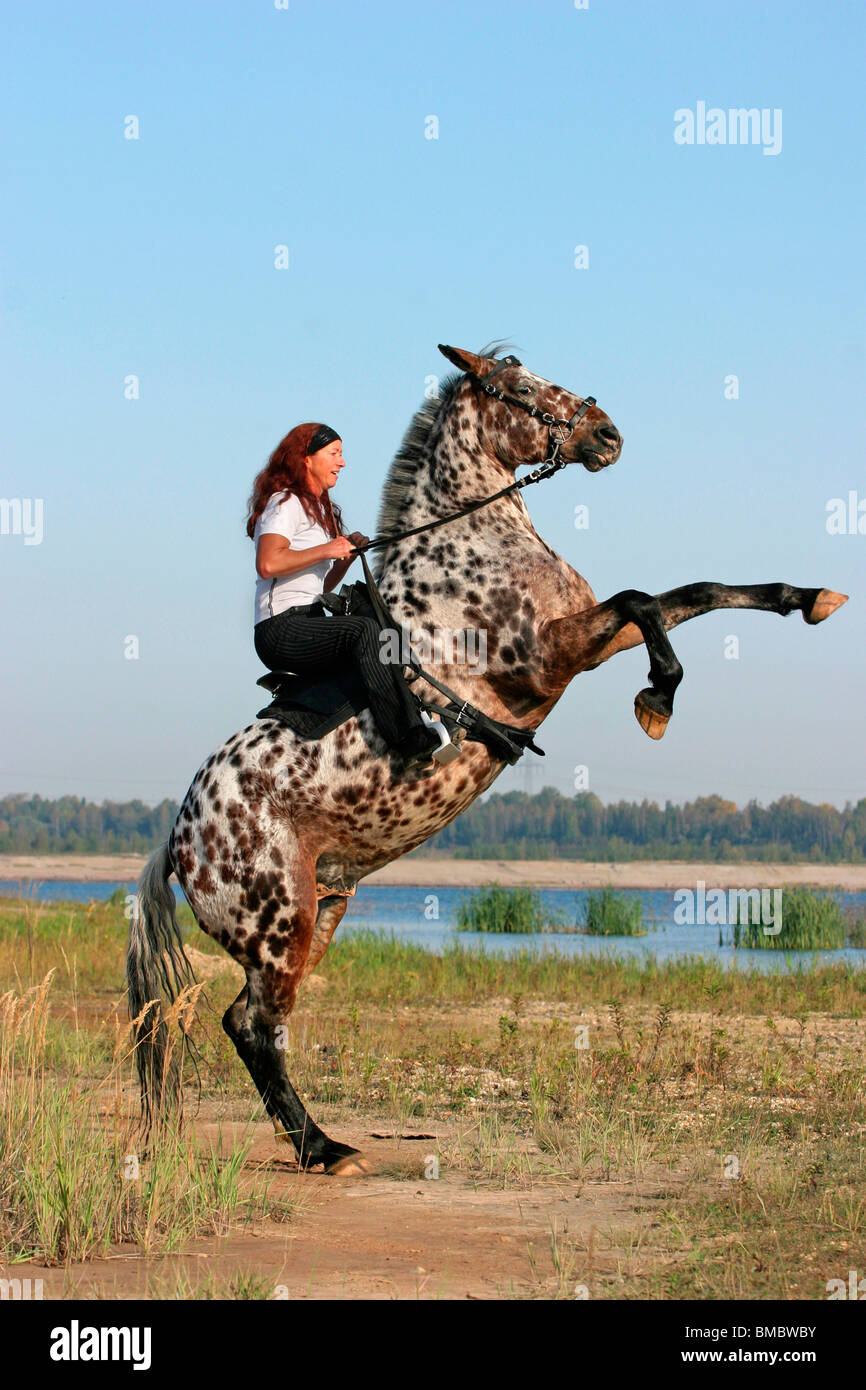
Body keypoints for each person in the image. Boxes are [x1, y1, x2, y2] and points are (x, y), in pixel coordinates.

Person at [247, 422, 444, 762]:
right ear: (306, 459)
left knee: (386, 634)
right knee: (364, 631)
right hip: (279, 630)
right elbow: (268, 563)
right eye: (334, 453)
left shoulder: (320, 512)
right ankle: (407, 740)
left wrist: (345, 558)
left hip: (309, 620)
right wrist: (326, 550)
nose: (342, 462)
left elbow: (318, 586)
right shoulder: (285, 502)